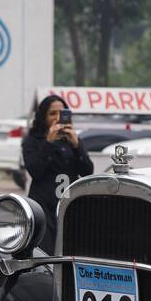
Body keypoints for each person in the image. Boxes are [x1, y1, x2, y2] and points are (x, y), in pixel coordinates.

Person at [21, 93, 94, 251]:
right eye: (52, 113)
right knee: (44, 252)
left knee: (69, 250)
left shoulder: (72, 140)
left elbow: (88, 172)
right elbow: (35, 171)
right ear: (43, 117)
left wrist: (77, 146)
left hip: (69, 206)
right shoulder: (32, 141)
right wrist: (49, 141)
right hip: (43, 207)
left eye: (61, 113)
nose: (57, 118)